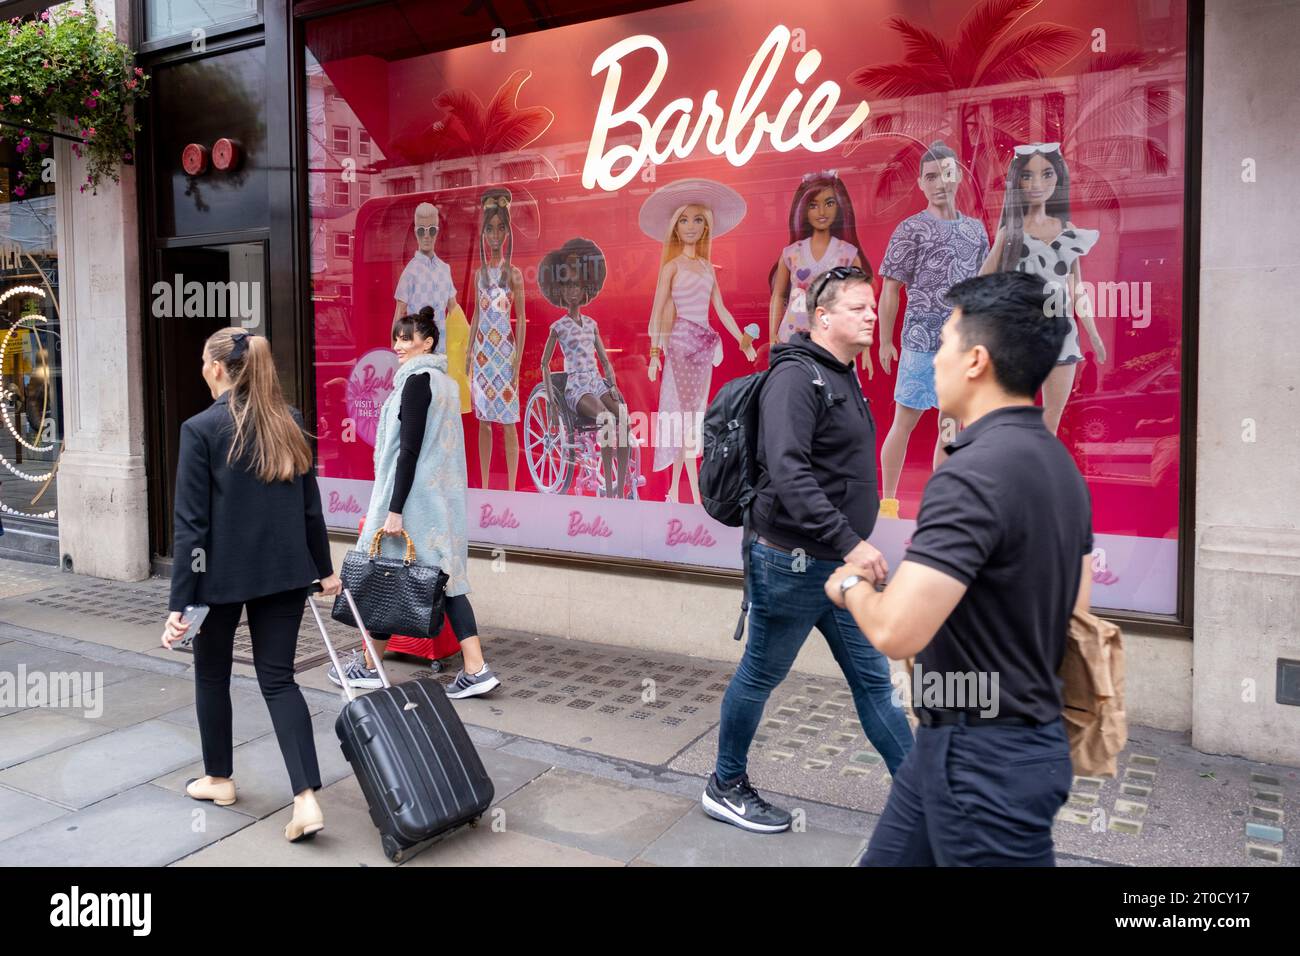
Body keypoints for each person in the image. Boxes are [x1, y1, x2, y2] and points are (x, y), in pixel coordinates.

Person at [825, 270, 1095, 866]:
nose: (934, 358)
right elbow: (1074, 613)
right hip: (980, 739)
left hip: (984, 761)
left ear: (976, 360)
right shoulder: (1056, 465)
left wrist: (848, 586)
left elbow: (897, 631)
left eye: (943, 342)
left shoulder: (973, 472)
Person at [701, 265, 914, 835]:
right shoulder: (796, 379)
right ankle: (725, 785)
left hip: (835, 570)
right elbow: (790, 474)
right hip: (792, 565)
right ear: (823, 318)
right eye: (859, 308)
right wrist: (851, 542)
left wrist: (848, 549)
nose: (873, 315)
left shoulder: (842, 374)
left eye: (874, 307)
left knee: (873, 680)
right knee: (759, 675)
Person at [162, 327, 340, 844]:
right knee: (279, 681)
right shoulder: (292, 421)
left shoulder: (200, 429)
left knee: (212, 676)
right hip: (286, 574)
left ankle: (219, 779)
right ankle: (306, 797)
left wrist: (181, 600)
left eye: (202, 361)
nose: (200, 368)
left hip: (220, 581)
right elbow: (311, 508)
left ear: (218, 368)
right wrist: (324, 569)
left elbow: (191, 526)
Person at [328, 307, 498, 699]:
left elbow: (408, 451)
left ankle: (372, 667)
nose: (398, 345)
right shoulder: (445, 383)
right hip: (442, 500)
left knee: (387, 572)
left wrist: (394, 509)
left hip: (414, 503)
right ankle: (475, 668)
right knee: (449, 582)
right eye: (396, 338)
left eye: (407, 338)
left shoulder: (416, 382)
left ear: (428, 342)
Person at [876, 140, 988, 518]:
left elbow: (982, 288)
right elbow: (890, 287)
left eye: (947, 173)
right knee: (903, 422)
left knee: (950, 423)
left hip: (960, 342)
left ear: (958, 177)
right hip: (920, 340)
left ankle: (941, 505)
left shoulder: (976, 232)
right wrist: (885, 341)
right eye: (930, 176)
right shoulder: (911, 229)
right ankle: (888, 501)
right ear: (920, 184)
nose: (940, 182)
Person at [641, 178, 758, 504]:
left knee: (692, 419)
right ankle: (688, 492)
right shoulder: (672, 268)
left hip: (705, 347)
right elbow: (658, 309)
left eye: (697, 220)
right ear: (674, 226)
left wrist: (742, 341)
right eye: (683, 219)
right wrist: (654, 354)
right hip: (680, 346)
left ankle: (675, 493)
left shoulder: (707, 267)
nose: (690, 226)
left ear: (705, 226)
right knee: (686, 419)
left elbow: (721, 309)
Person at [980, 142, 1106, 435]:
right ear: (1017, 182)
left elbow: (1077, 290)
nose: (1037, 184)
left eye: (1047, 174)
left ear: (1058, 178)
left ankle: (1037, 476)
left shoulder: (1068, 231)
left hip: (1062, 336)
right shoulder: (1010, 234)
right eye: (1027, 176)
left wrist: (1094, 334)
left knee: (1051, 421)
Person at [537, 237, 632, 499]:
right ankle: (610, 484)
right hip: (577, 384)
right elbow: (545, 363)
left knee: (622, 419)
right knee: (604, 419)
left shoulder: (591, 324)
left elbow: (603, 359)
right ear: (560, 290)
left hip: (597, 381)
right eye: (567, 286)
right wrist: (551, 403)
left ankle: (620, 485)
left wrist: (612, 385)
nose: (572, 291)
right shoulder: (558, 327)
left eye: (577, 285)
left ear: (584, 288)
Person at [466, 188, 526, 491]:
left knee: (509, 422)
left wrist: (516, 362)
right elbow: (477, 314)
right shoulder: (480, 274)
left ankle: (512, 489)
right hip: (482, 353)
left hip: (504, 352)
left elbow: (522, 320)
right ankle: (487, 487)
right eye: (489, 228)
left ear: (506, 231)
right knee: (484, 421)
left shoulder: (512, 274)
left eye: (499, 228)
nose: (494, 234)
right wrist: (468, 354)